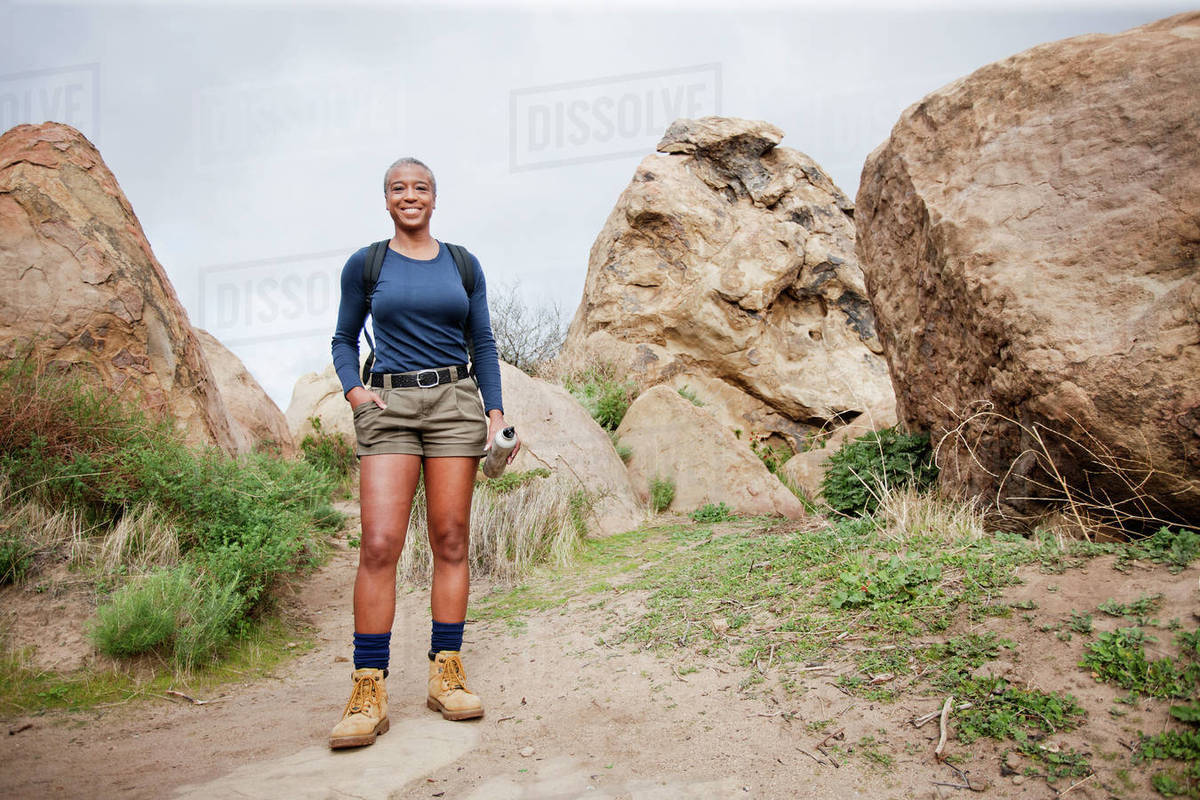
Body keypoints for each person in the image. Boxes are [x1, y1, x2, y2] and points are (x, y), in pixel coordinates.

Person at [327, 157, 518, 749]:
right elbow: (343, 338)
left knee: (451, 539)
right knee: (380, 544)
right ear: (385, 199)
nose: (409, 196)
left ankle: (446, 672)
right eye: (398, 188)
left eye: (421, 188)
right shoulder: (367, 264)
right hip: (389, 408)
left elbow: (481, 340)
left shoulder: (463, 264)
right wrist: (357, 394)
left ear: (435, 198)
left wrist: (494, 411)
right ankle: (368, 687)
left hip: (456, 404)